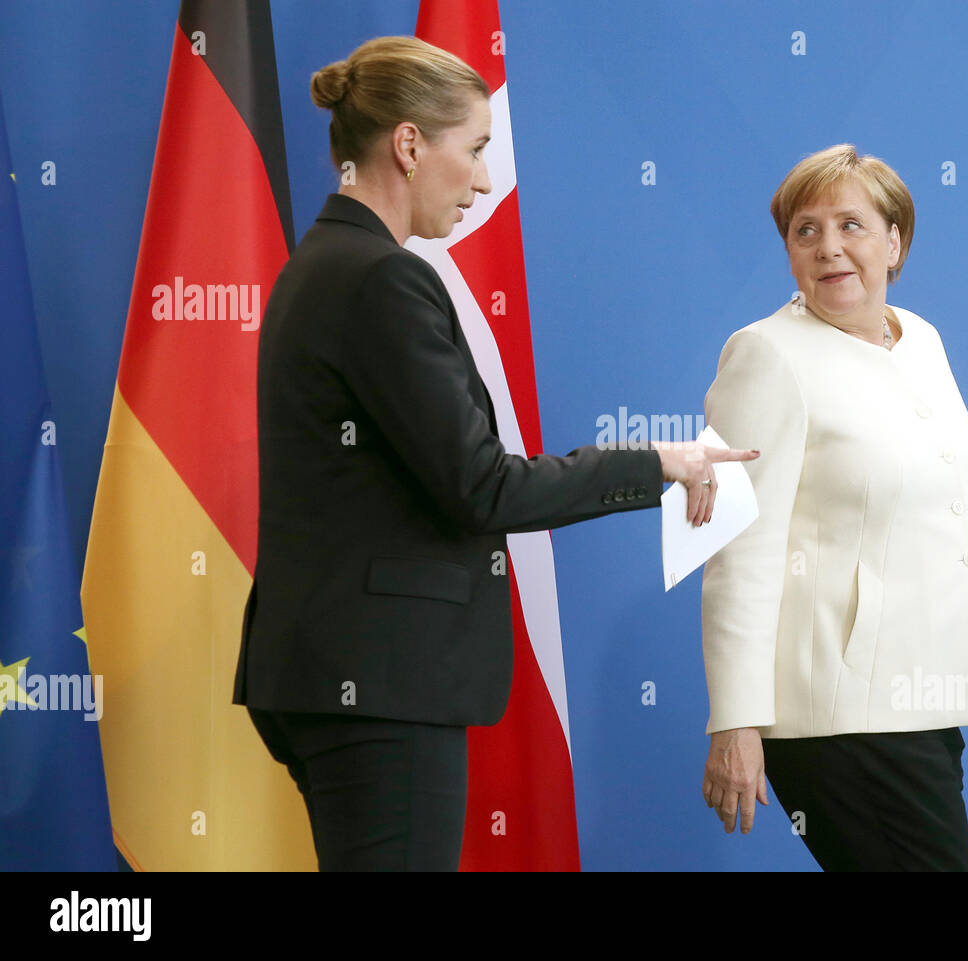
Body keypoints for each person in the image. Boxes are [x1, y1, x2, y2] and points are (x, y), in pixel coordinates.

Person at [232, 36, 756, 871]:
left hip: (340, 675)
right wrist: (657, 462)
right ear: (408, 145)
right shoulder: (382, 279)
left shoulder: (320, 264)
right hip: (381, 682)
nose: (482, 179)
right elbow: (484, 485)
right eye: (473, 150)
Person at [697, 144, 968, 871]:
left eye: (850, 224)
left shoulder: (921, 341)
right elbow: (740, 554)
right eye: (806, 230)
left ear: (895, 241)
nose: (829, 248)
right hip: (840, 721)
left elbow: (959, 508)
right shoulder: (765, 354)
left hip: (925, 709)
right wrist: (736, 721)